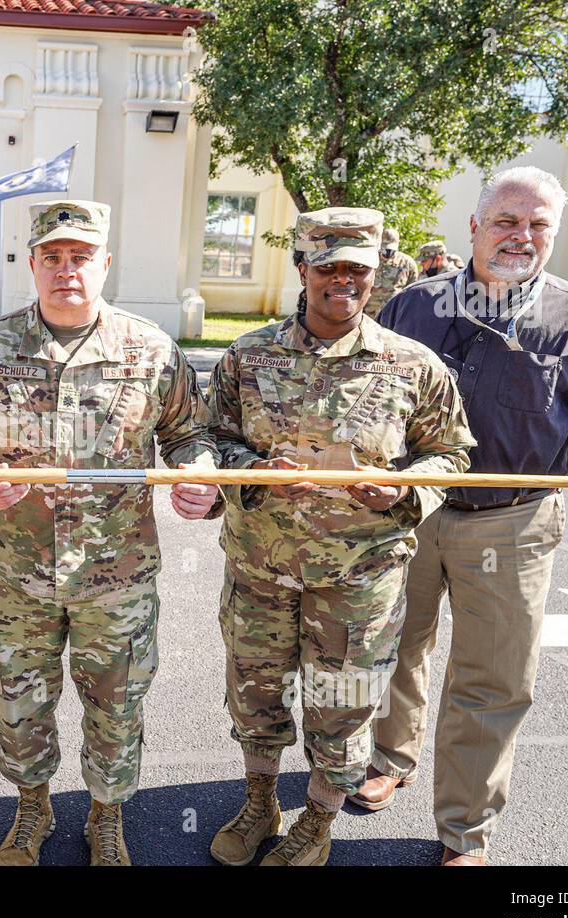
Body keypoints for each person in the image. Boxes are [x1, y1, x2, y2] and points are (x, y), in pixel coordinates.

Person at [363, 166, 568, 864]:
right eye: (507, 220)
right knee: (391, 651)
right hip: (407, 516)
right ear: (474, 227)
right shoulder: (412, 308)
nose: (522, 236)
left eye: (538, 225)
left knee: (493, 682)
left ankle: (464, 833)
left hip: (513, 522)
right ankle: (388, 758)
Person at [0, 200, 219, 866]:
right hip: (18, 576)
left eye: (80, 257)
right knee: (19, 703)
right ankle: (32, 808)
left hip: (118, 578)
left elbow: (191, 432)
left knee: (118, 707)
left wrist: (200, 475)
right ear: (31, 264)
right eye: (51, 257)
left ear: (104, 264)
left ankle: (106, 816)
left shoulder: (149, 351)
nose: (66, 271)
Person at [205, 207, 474, 866]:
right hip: (260, 571)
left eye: (357, 267)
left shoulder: (412, 364)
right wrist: (255, 477)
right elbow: (210, 441)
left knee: (343, 707)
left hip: (359, 582)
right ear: (303, 268)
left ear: (376, 271)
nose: (342, 280)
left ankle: (317, 820)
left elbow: (454, 454)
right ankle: (261, 800)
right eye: (328, 266)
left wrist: (405, 489)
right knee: (255, 692)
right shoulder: (248, 355)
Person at [364, 227, 419, 317]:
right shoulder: (370, 260)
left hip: (394, 315)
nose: (388, 252)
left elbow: (413, 291)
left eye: (391, 249)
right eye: (385, 249)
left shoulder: (407, 263)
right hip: (369, 315)